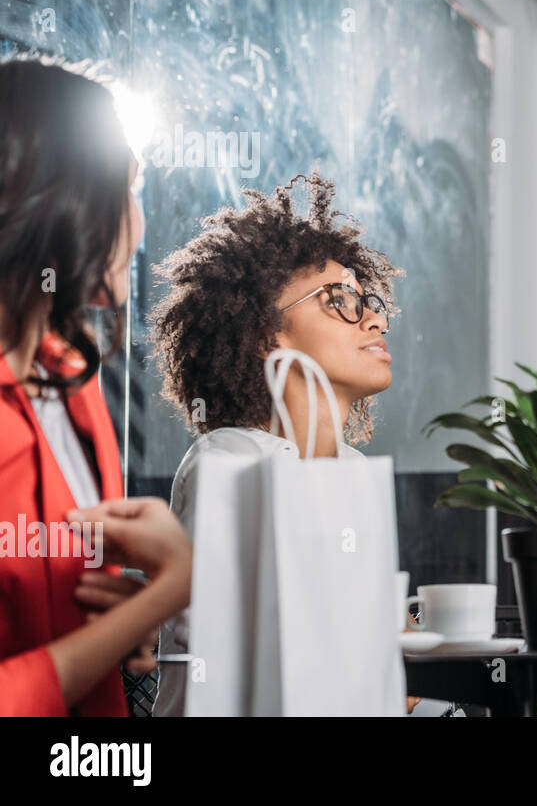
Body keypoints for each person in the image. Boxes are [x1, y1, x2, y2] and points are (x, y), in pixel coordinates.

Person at [146, 172, 418, 714]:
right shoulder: (229, 460)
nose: (373, 318)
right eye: (339, 299)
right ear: (265, 332)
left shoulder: (350, 470)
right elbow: (220, 643)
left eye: (369, 300)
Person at [0, 55, 192, 715]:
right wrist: (171, 591)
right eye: (129, 186)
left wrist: (129, 620)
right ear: (67, 194)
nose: (138, 221)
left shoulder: (73, 384)